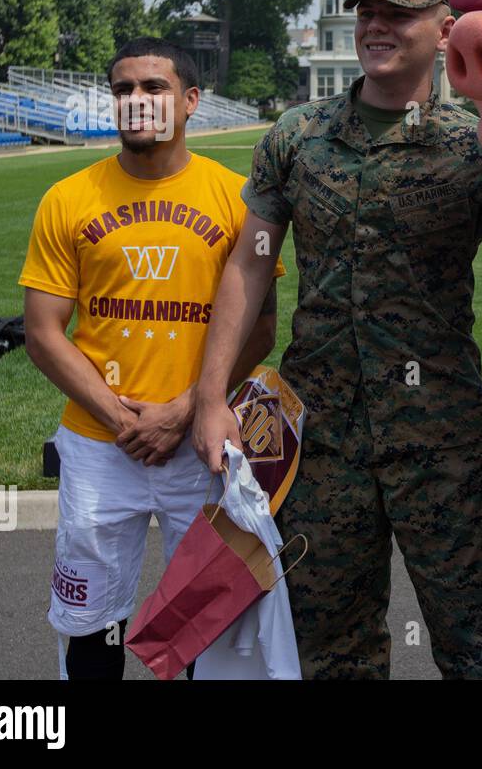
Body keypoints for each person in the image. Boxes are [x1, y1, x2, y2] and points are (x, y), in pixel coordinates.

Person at [192, 0, 482, 680]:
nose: (376, 25)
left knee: (476, 645)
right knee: (330, 648)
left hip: (441, 437)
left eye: (398, 12)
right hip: (323, 439)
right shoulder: (297, 139)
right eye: (368, 11)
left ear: (446, 29)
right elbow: (250, 262)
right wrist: (210, 396)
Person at [20, 37, 285, 679]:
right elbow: (43, 332)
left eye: (153, 88)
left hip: (200, 439)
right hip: (98, 444)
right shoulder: (67, 198)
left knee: (203, 616)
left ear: (191, 102)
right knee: (88, 621)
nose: (136, 101)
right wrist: (122, 418)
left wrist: (182, 410)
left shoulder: (238, 200)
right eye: (122, 89)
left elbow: (262, 326)